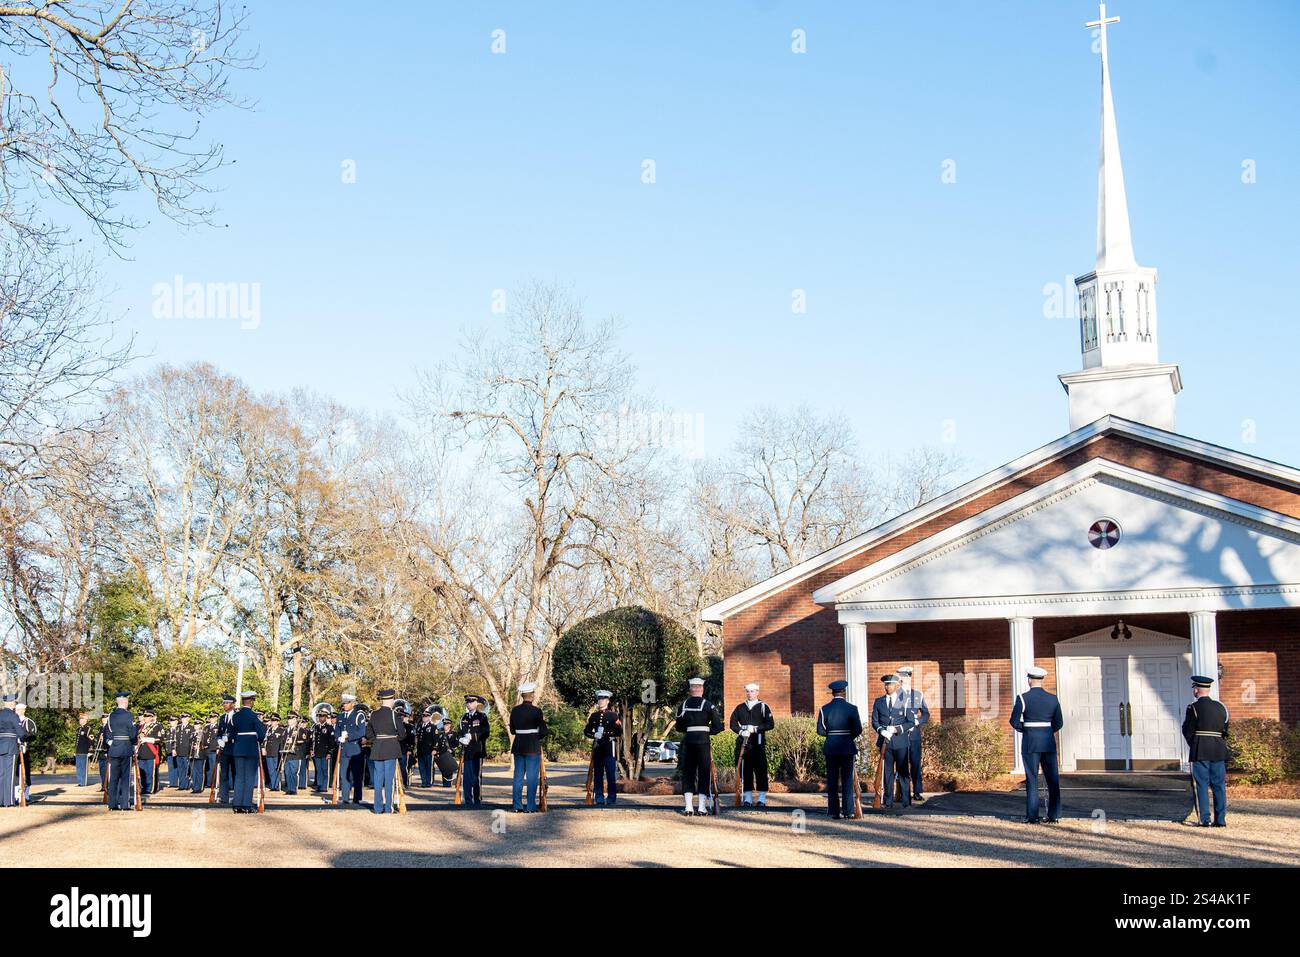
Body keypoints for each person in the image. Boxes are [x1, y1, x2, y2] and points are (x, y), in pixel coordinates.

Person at [1009, 665, 1063, 824]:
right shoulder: (1053, 698)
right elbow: (1059, 723)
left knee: (1032, 779)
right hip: (1048, 742)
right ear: (1042, 680)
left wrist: (1025, 729)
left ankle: (1032, 816)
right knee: (1052, 779)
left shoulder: (1022, 698)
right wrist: (1046, 731)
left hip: (1031, 742)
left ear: (1029, 680)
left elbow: (1013, 721)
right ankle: (1054, 815)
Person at [1183, 675, 1229, 828]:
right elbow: (1225, 731)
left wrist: (1194, 744)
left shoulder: (1193, 708)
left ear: (1196, 690)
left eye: (1194, 689)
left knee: (1201, 785)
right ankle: (1220, 820)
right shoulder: (1222, 707)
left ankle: (1205, 819)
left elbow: (1188, 730)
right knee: (1219, 785)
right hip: (1219, 750)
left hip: (1200, 749)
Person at [674, 676, 724, 817]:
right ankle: (702, 808)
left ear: (691, 690)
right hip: (703, 741)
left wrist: (691, 729)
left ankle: (689, 807)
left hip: (689, 741)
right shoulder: (708, 705)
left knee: (688, 773)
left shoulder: (682, 705)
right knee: (703, 773)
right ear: (701, 689)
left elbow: (679, 727)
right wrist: (709, 731)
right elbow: (718, 726)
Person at [816, 679, 863, 819]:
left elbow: (820, 730)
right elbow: (858, 729)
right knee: (847, 781)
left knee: (832, 781)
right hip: (847, 747)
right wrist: (847, 737)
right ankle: (848, 811)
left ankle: (833, 811)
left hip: (831, 747)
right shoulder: (852, 708)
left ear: (833, 693)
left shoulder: (824, 709)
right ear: (844, 692)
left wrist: (832, 736)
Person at [729, 682, 775, 808]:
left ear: (757, 692)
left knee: (761, 770)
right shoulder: (740, 707)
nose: (750, 694)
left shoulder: (763, 707)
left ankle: (761, 798)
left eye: (753, 691)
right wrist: (740, 731)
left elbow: (770, 724)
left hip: (758, 743)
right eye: (748, 691)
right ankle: (748, 798)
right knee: (746, 771)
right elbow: (732, 723)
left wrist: (756, 729)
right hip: (744, 743)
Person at [871, 674, 914, 810]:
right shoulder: (879, 702)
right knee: (887, 773)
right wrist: (881, 731)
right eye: (886, 684)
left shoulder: (905, 701)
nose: (887, 686)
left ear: (897, 686)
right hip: (885, 742)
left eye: (890, 684)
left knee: (903, 772)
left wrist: (896, 729)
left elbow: (911, 722)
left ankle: (906, 801)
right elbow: (875, 721)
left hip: (900, 742)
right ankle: (888, 801)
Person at [366, 690, 407, 814]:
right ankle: (388, 807)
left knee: (378, 780)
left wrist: (377, 740)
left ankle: (377, 808)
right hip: (391, 749)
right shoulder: (394, 715)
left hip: (378, 749)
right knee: (389, 781)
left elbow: (368, 733)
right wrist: (393, 740)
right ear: (391, 700)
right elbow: (402, 734)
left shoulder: (374, 714)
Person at [508, 683, 548, 813]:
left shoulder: (515, 710)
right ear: (532, 695)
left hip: (519, 745)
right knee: (531, 778)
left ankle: (517, 805)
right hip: (532, 746)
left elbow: (513, 730)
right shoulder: (537, 711)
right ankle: (530, 806)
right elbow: (543, 731)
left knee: (518, 777)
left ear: (522, 696)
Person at [896, 665, 930, 803]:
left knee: (915, 764)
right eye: (904, 676)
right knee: (901, 764)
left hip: (914, 734)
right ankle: (903, 793)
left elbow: (926, 713)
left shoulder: (918, 694)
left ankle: (917, 791)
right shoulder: (896, 695)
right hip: (902, 734)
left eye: (908, 676)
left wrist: (918, 721)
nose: (906, 678)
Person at [230, 691, 266, 813]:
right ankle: (246, 805)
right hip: (250, 749)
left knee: (239, 777)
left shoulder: (235, 716)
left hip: (238, 748)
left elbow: (232, 733)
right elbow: (261, 734)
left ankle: (237, 804)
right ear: (251, 701)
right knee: (249, 777)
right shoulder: (253, 716)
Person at [583, 690, 622, 806]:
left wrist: (605, 733)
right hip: (598, 749)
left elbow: (618, 731)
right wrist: (594, 734)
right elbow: (587, 731)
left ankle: (611, 798)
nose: (601, 701)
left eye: (603, 699)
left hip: (609, 748)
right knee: (598, 774)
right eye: (599, 699)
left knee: (610, 774)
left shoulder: (613, 715)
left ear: (608, 701)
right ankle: (599, 797)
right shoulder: (594, 716)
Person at [105, 692, 138, 811]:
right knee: (125, 778)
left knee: (113, 778)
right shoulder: (129, 715)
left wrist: (111, 743)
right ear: (125, 702)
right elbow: (133, 734)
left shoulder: (110, 716)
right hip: (125, 748)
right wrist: (134, 742)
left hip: (114, 749)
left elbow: (107, 733)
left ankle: (112, 804)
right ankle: (124, 804)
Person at [458, 695, 490, 806]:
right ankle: (467, 800)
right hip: (466, 751)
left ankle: (477, 800)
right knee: (466, 777)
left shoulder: (482, 716)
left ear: (476, 703)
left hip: (477, 751)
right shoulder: (463, 717)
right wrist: (461, 739)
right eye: (467, 702)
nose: (469, 704)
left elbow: (486, 732)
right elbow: (459, 732)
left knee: (475, 776)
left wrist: (472, 736)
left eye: (471, 702)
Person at [335, 694, 367, 804]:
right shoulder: (340, 716)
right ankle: (345, 797)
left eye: (346, 703)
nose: (344, 705)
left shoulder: (358, 716)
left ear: (352, 704)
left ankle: (357, 798)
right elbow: (337, 732)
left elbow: (361, 732)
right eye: (343, 703)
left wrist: (349, 736)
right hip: (344, 749)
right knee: (344, 775)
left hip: (355, 749)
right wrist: (338, 738)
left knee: (356, 775)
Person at [0, 694, 22, 807]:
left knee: (1, 774)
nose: (15, 704)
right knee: (10, 774)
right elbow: (21, 733)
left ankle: (1, 800)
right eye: (14, 702)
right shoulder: (13, 716)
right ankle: (9, 801)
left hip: (1, 746)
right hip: (11, 747)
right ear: (10, 703)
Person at [216, 693, 237, 804]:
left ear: (232, 704)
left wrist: (229, 739)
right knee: (223, 773)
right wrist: (219, 740)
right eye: (224, 703)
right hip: (224, 749)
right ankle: (224, 797)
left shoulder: (237, 716)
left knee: (235, 773)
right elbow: (219, 732)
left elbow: (238, 732)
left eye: (227, 703)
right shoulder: (223, 717)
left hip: (234, 747)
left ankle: (236, 796)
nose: (225, 705)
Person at [282, 712, 310, 794]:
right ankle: (289, 788)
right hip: (287, 754)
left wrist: (295, 742)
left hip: (295, 754)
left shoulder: (299, 730)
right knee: (287, 772)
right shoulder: (286, 730)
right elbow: (282, 741)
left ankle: (293, 789)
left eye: (291, 719)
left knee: (293, 772)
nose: (289, 721)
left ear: (295, 720)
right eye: (288, 719)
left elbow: (303, 741)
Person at [136, 709, 161, 798]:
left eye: (147, 716)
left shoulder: (156, 726)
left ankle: (150, 789)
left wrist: (147, 739)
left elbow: (160, 739)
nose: (145, 718)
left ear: (151, 718)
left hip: (151, 752)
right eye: (145, 716)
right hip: (141, 752)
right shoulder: (140, 727)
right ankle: (143, 787)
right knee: (142, 772)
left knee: (150, 772)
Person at [310, 706, 335, 792]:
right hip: (317, 752)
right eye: (319, 716)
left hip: (325, 753)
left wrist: (329, 752)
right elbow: (312, 740)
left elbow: (331, 742)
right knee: (318, 770)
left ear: (326, 717)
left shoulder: (329, 728)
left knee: (325, 770)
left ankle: (324, 786)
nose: (321, 718)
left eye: (323, 716)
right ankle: (320, 785)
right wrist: (311, 750)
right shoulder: (315, 727)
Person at [14, 702, 34, 804]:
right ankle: (16, 796)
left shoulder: (29, 722)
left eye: (22, 710)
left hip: (25, 750)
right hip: (14, 750)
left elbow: (33, 735)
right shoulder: (13, 721)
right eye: (18, 710)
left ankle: (26, 795)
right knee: (16, 774)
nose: (20, 712)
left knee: (26, 772)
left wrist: (24, 739)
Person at [415, 708, 437, 787]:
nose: (424, 717)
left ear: (429, 717)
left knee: (429, 767)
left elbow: (435, 739)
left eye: (426, 716)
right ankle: (424, 782)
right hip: (420, 750)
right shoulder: (419, 726)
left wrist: (434, 749)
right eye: (423, 716)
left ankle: (429, 782)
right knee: (422, 767)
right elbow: (417, 738)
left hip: (429, 750)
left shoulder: (433, 727)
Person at [173, 713, 195, 791]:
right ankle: (181, 785)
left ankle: (187, 785)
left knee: (187, 769)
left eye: (185, 718)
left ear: (188, 718)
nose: (183, 719)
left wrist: (191, 752)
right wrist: (174, 749)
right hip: (179, 751)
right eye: (182, 718)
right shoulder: (178, 727)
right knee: (180, 769)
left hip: (187, 751)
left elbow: (192, 741)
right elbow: (174, 739)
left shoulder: (191, 728)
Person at [263, 713, 284, 791]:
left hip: (277, 753)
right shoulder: (268, 730)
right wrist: (263, 748)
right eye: (271, 720)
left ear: (278, 722)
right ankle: (273, 785)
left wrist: (281, 753)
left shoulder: (281, 730)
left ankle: (276, 785)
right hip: (269, 752)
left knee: (276, 770)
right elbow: (265, 740)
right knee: (270, 769)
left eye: (274, 721)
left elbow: (282, 742)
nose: (272, 722)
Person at [434, 718, 458, 788]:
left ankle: (448, 783)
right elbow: (438, 744)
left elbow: (456, 744)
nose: (445, 726)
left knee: (449, 768)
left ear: (450, 725)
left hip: (449, 754)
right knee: (444, 769)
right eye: (444, 724)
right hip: (442, 754)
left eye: (447, 724)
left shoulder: (454, 733)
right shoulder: (440, 734)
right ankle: (445, 783)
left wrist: (452, 750)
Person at [75, 710, 94, 787]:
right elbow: (77, 741)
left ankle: (83, 782)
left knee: (83, 768)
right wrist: (75, 751)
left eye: (82, 719)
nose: (80, 720)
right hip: (78, 751)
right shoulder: (78, 729)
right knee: (78, 767)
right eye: (80, 719)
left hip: (84, 751)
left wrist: (90, 750)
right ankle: (80, 782)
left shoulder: (88, 729)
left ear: (85, 720)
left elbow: (91, 740)